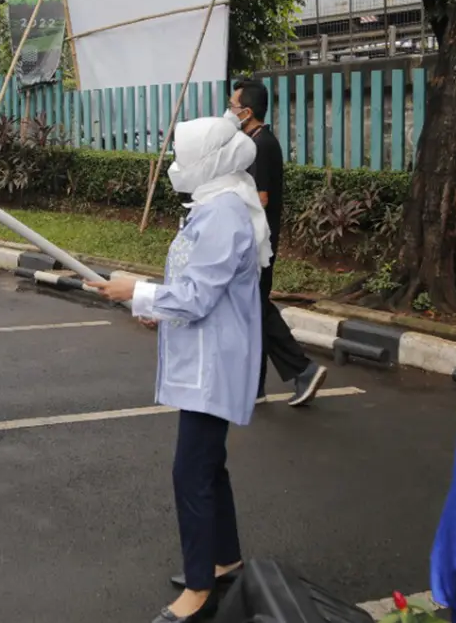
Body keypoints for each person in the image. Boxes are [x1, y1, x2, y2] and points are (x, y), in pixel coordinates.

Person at [88, 114, 270, 623]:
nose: (177, 166)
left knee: (190, 472)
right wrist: (151, 307)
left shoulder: (225, 214)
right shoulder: (216, 205)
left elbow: (195, 295)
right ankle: (225, 559)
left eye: (184, 157)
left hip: (213, 363)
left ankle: (198, 590)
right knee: (209, 467)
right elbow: (191, 288)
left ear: (210, 161)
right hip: (205, 355)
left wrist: (137, 293)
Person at [228, 79, 327, 407]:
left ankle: (302, 369)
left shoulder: (261, 145)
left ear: (248, 111)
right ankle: (256, 386)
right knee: (252, 311)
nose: (230, 112)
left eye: (233, 107)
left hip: (257, 245)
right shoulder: (253, 140)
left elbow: (261, 197)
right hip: (255, 242)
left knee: (257, 308)